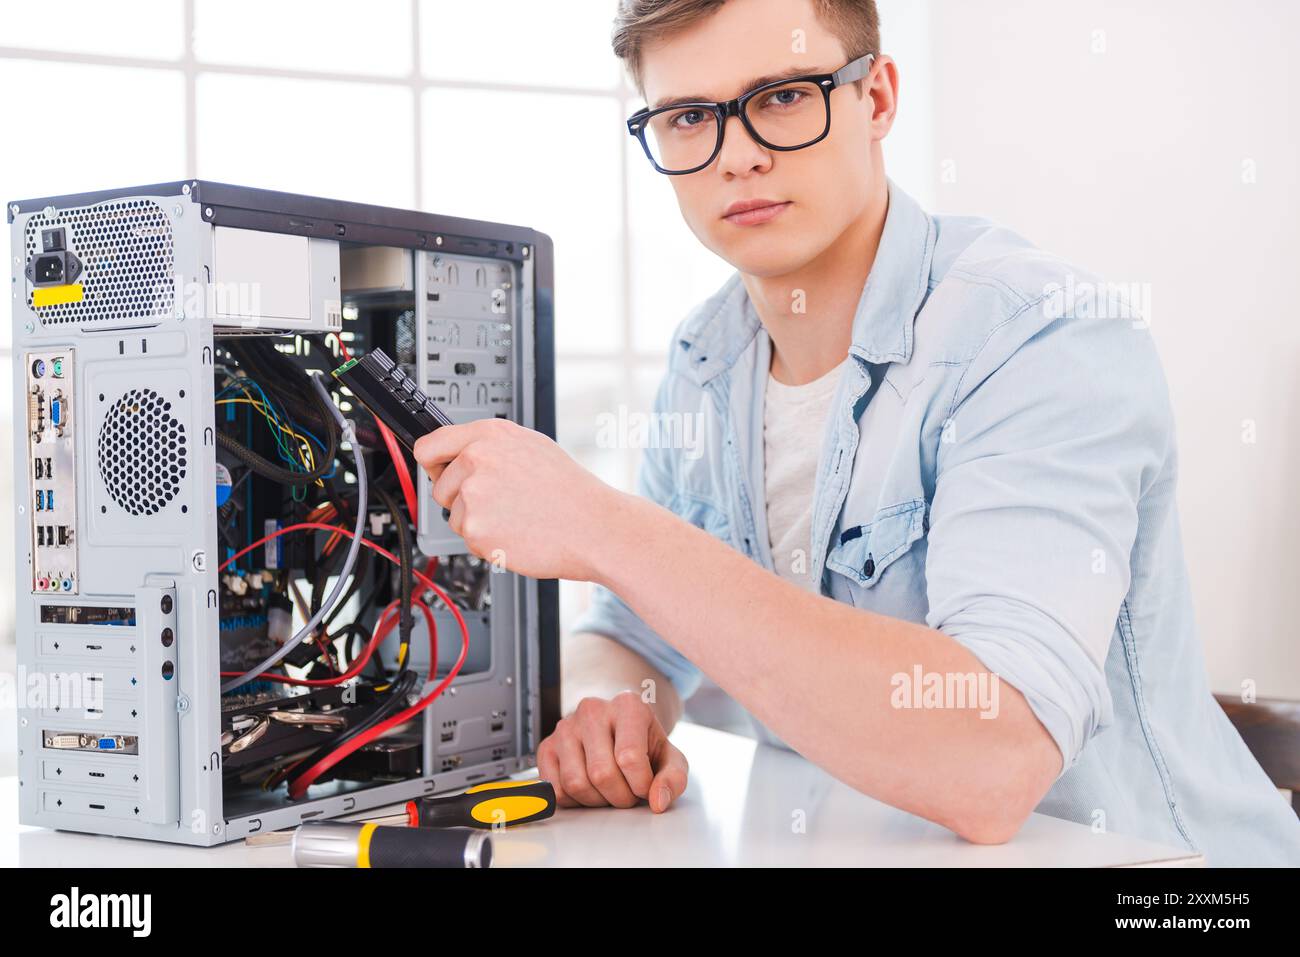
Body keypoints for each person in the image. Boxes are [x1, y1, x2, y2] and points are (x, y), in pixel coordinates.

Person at [412, 0, 1300, 865]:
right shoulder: (709, 356)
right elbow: (635, 635)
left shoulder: (1041, 335)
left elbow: (991, 759)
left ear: (875, 99)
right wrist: (616, 708)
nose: (740, 156)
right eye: (689, 117)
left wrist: (602, 527)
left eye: (784, 97)